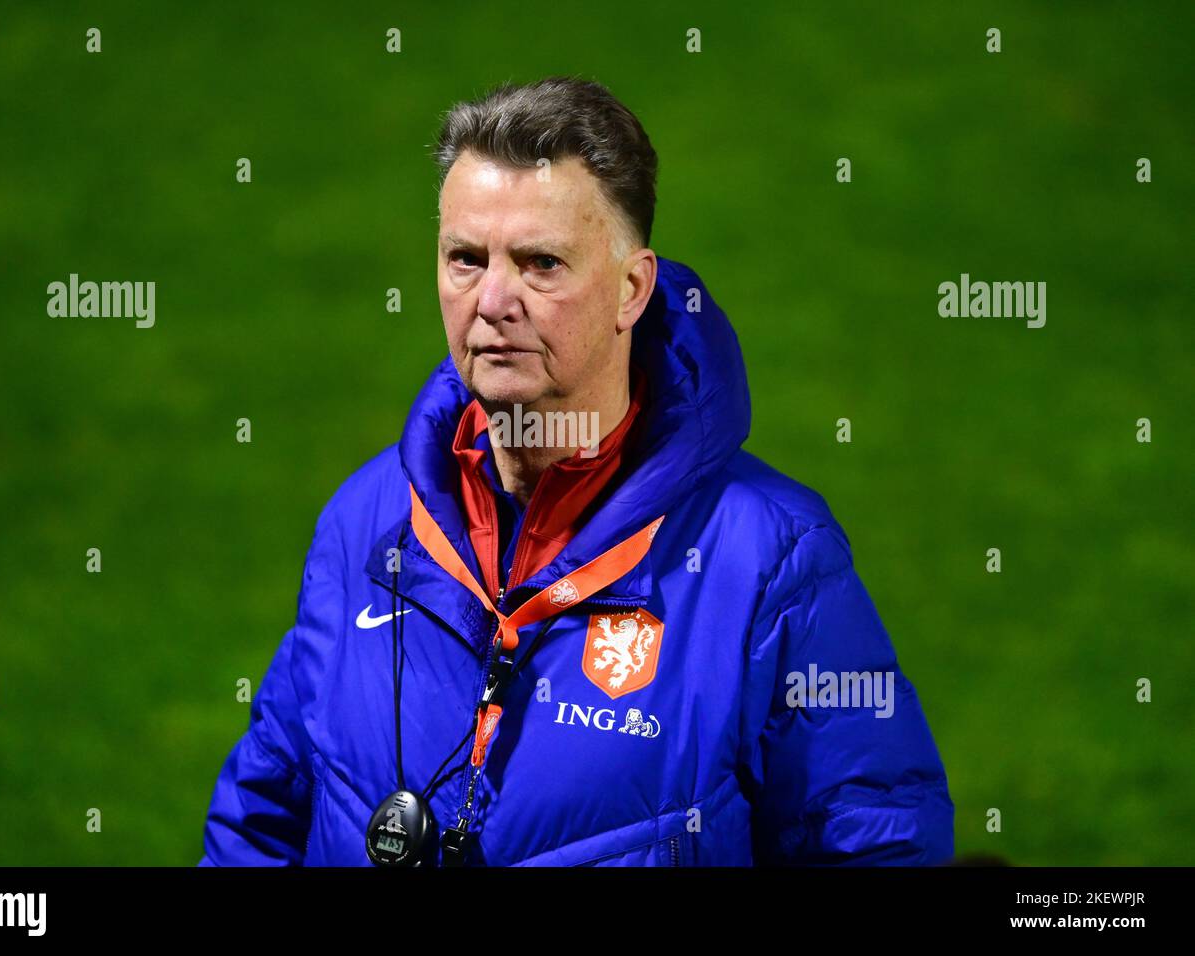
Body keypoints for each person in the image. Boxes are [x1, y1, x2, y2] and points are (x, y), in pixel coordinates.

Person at [199, 76, 954, 866]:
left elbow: (880, 845)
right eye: (465, 258)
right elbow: (261, 820)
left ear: (633, 288)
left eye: (541, 264)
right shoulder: (367, 520)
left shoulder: (769, 561)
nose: (492, 299)